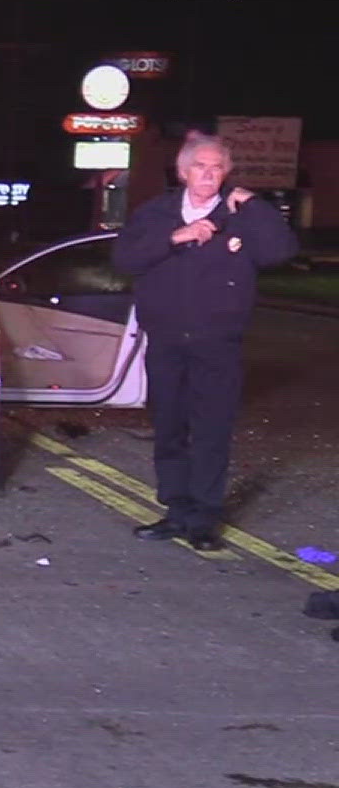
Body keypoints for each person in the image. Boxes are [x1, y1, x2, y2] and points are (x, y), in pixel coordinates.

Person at [113, 131, 296, 551]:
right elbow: (125, 259)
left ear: (226, 173)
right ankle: (176, 511)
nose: (209, 175)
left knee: (211, 430)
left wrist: (254, 206)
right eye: (200, 166)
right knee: (169, 427)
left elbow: (280, 252)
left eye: (217, 168)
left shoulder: (241, 214)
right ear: (183, 172)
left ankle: (203, 519)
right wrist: (174, 237)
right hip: (166, 341)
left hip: (217, 343)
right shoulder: (155, 213)